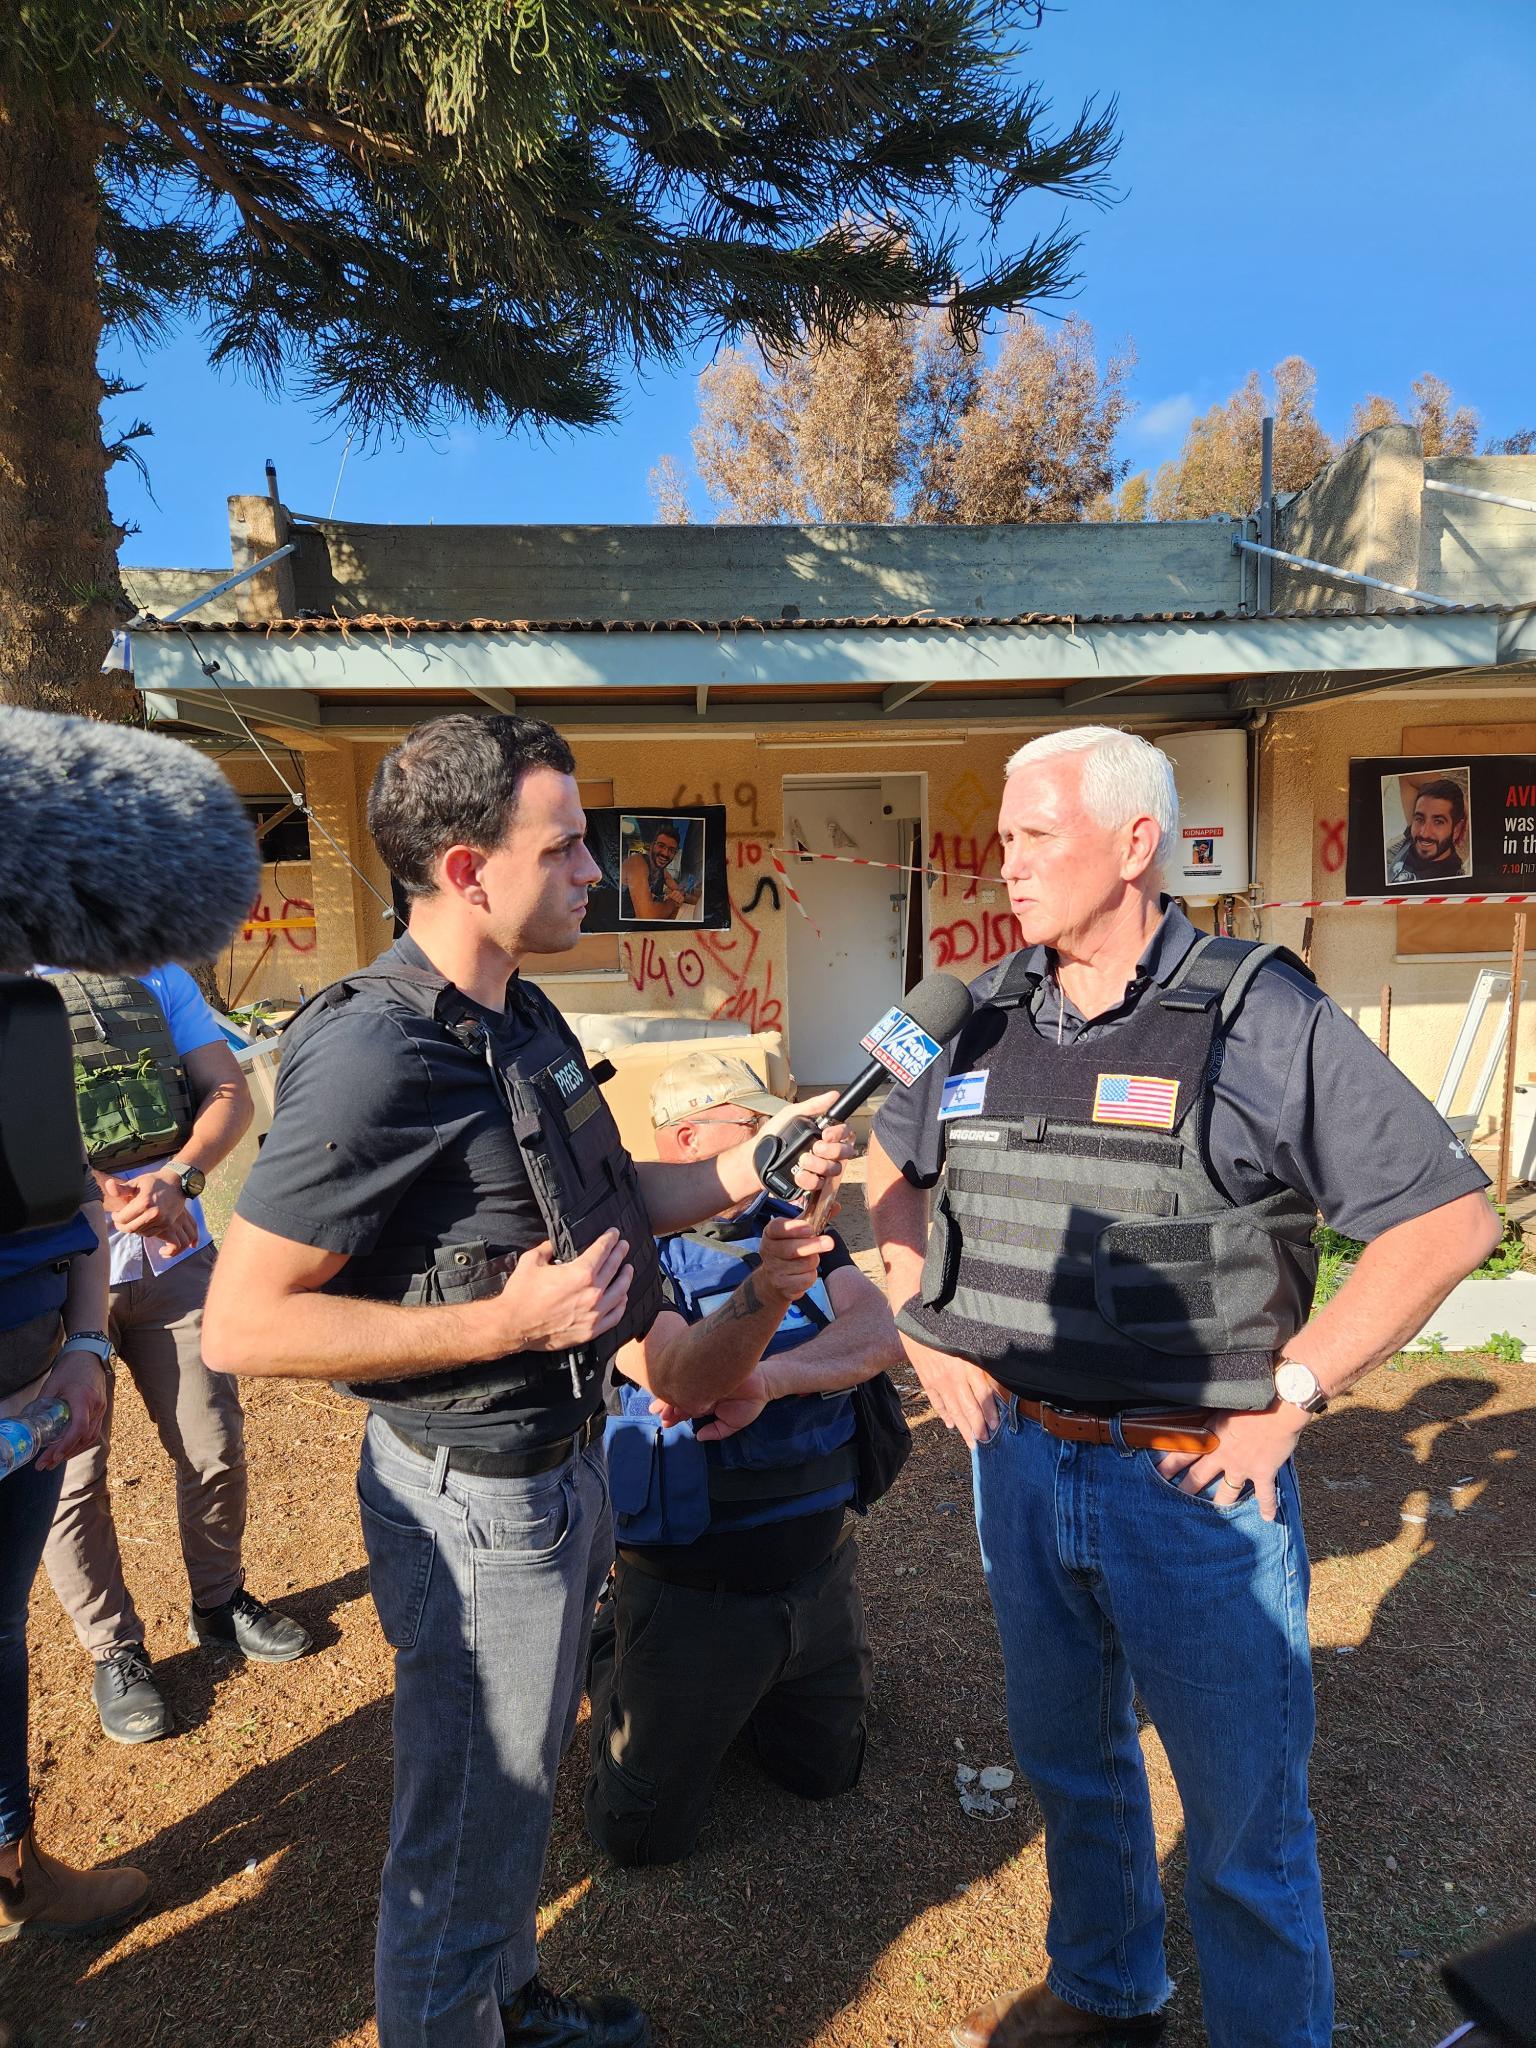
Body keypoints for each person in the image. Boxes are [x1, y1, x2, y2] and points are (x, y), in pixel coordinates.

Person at [201, 715, 849, 2048]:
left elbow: (614, 1196)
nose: (595, 873)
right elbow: (243, 1326)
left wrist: (754, 1164)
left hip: (563, 1473)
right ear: (465, 868)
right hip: (473, 1503)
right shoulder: (372, 1052)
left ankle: (510, 1997)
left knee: (511, 1797)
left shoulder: (525, 1011)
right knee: (460, 1827)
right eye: (565, 849)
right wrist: (502, 1322)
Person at [866, 726, 1501, 2048]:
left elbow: (1448, 1219)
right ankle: (1106, 1995)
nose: (1006, 861)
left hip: (1189, 1485)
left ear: (1135, 843)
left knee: (1241, 1824)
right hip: (1018, 1463)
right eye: (1003, 836)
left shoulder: (1254, 1011)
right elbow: (888, 1162)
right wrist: (920, 1323)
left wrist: (1294, 1391)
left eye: (1035, 835)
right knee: (1071, 1766)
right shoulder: (973, 1006)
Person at [585, 1051, 903, 1867]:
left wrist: (771, 1379)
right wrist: (771, 1295)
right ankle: (612, 1644)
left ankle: (763, 1685)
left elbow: (880, 1332)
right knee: (642, 1841)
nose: (781, 1143)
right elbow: (682, 1379)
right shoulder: (617, 1249)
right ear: (691, 1138)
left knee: (827, 1777)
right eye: (757, 1125)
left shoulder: (793, 1228)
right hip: (694, 1595)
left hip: (820, 1577)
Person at [34, 964, 311, 1744]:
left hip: (174, 1255)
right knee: (71, 1477)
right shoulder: (14, 978)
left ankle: (219, 1602)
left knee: (213, 1443)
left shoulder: (157, 972)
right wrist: (102, 1189)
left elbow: (228, 1090)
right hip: (54, 1269)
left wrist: (178, 1181)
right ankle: (114, 1650)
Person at [0, 1165, 148, 1942]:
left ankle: (15, 1870)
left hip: (30, 1400)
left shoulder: (24, 1074)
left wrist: (87, 1340)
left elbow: (73, 1185)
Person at [1385, 775, 1470, 884]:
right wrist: (1462, 802)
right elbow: (1407, 777)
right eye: (1420, 819)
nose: (1424, 833)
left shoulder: (1450, 877)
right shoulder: (1413, 834)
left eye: (1438, 822)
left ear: (1457, 829)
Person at [620, 822, 697, 922]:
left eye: (671, 850)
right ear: (652, 845)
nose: (665, 853)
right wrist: (673, 902)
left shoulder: (663, 872)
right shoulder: (637, 862)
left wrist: (682, 895)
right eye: (661, 845)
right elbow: (646, 916)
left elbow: (682, 893)